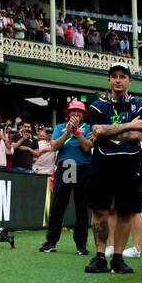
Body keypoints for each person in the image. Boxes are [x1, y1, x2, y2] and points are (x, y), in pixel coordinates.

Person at [82, 64, 142, 275]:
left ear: (129, 80)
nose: (118, 80)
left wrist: (106, 130)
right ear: (109, 80)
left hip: (131, 163)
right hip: (102, 163)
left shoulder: (141, 105)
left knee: (126, 212)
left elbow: (138, 136)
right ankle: (100, 256)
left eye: (122, 76)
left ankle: (118, 257)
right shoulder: (97, 106)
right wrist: (129, 125)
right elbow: (96, 131)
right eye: (114, 77)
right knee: (100, 210)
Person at [38, 101, 93, 254]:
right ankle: (51, 242)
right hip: (66, 166)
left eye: (79, 112)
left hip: (82, 168)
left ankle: (81, 244)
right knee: (58, 206)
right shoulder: (60, 127)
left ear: (83, 115)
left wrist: (77, 132)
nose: (76, 114)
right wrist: (68, 132)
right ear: (68, 113)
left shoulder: (88, 128)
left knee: (82, 207)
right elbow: (54, 146)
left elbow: (87, 147)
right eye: (73, 111)